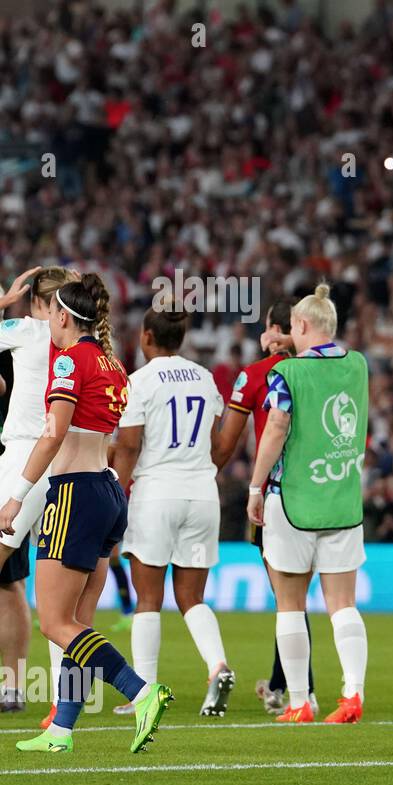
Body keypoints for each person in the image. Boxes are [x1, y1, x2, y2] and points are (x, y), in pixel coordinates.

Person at [0, 273, 173, 752]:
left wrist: (17, 495)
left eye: (51, 313)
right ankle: (61, 731)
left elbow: (53, 433)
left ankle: (142, 692)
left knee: (55, 622)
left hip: (73, 492)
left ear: (61, 316)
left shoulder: (70, 363)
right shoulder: (112, 364)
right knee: (78, 621)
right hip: (109, 491)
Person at [247, 284, 369, 724]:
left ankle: (299, 702)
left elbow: (277, 425)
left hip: (292, 499)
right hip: (342, 499)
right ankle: (352, 693)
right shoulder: (358, 365)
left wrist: (255, 487)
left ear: (299, 325)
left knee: (290, 604)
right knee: (343, 604)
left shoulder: (287, 374)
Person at [112, 307, 233, 717]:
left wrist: (114, 494)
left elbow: (128, 446)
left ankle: (143, 694)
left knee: (148, 598)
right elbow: (217, 446)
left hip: (157, 492)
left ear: (147, 337)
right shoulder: (205, 377)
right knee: (192, 597)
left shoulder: (140, 381)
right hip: (202, 493)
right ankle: (217, 665)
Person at [213, 298, 317, 715]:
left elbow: (225, 445)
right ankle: (280, 683)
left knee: (287, 597)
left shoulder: (257, 375)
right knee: (298, 597)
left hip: (276, 494)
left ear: (278, 330)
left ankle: (301, 691)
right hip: (326, 492)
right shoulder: (332, 370)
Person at [0, 266, 68, 715]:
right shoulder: (85, 347)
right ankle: (26, 692)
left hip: (22, 462)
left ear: (38, 303)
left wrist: (4, 304)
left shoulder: (23, 329)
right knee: (50, 593)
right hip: (68, 466)